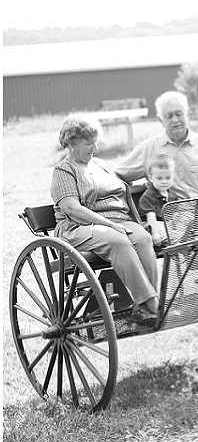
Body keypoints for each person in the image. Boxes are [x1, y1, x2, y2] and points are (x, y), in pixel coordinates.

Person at [51, 114, 158, 326]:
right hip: (81, 226)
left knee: (143, 239)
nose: (95, 147)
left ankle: (143, 309)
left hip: (118, 220)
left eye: (95, 142)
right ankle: (152, 304)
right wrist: (108, 224)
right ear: (71, 144)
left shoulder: (99, 164)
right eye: (89, 143)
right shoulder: (63, 171)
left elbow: (120, 184)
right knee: (118, 241)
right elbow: (72, 209)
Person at [114, 91, 198, 198]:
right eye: (169, 116)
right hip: (168, 216)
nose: (175, 120)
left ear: (188, 114)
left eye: (179, 114)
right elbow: (115, 176)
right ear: (161, 120)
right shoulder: (148, 148)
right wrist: (139, 189)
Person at [138, 154, 180, 246]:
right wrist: (155, 233)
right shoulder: (148, 196)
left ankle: (184, 241)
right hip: (152, 225)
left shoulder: (171, 194)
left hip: (165, 224)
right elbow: (151, 216)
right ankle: (180, 243)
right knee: (172, 235)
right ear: (150, 178)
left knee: (185, 223)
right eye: (159, 178)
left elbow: (174, 214)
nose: (164, 181)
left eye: (168, 178)